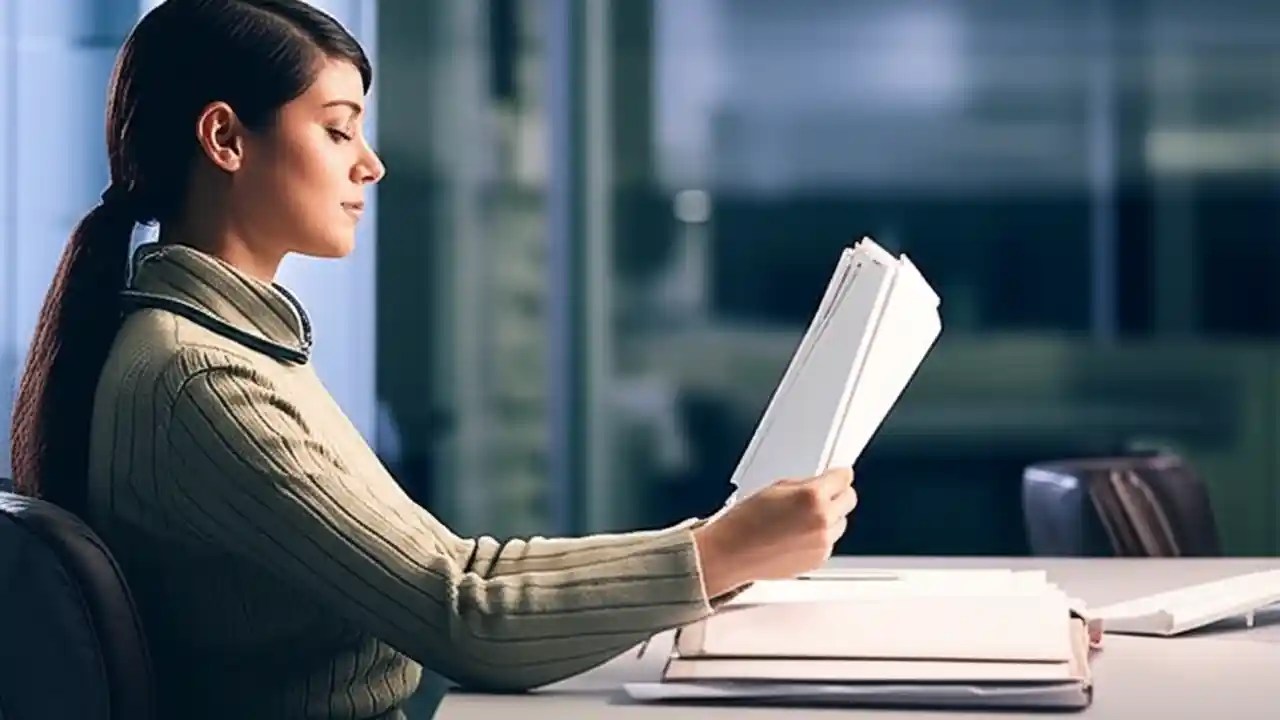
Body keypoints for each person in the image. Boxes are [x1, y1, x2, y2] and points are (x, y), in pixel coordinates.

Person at [7, 1, 857, 718]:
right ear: (226, 138)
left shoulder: (227, 348)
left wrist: (710, 543)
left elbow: (459, 569)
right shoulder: (201, 380)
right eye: (338, 131)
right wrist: (719, 555)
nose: (370, 165)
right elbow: (464, 612)